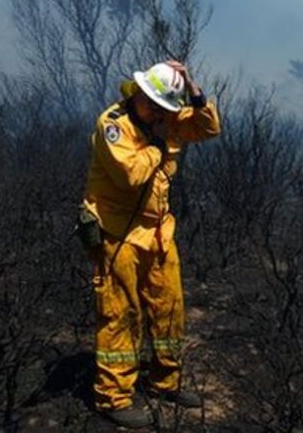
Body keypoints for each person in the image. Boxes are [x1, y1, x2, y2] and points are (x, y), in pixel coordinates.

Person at [80, 60, 221, 428]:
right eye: (153, 105)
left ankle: (165, 382)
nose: (158, 113)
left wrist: (192, 86)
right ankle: (113, 398)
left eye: (164, 108)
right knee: (121, 315)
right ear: (139, 93)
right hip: (118, 234)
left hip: (159, 234)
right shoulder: (114, 125)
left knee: (169, 310)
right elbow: (131, 175)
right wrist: (159, 145)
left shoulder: (167, 118)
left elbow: (208, 127)